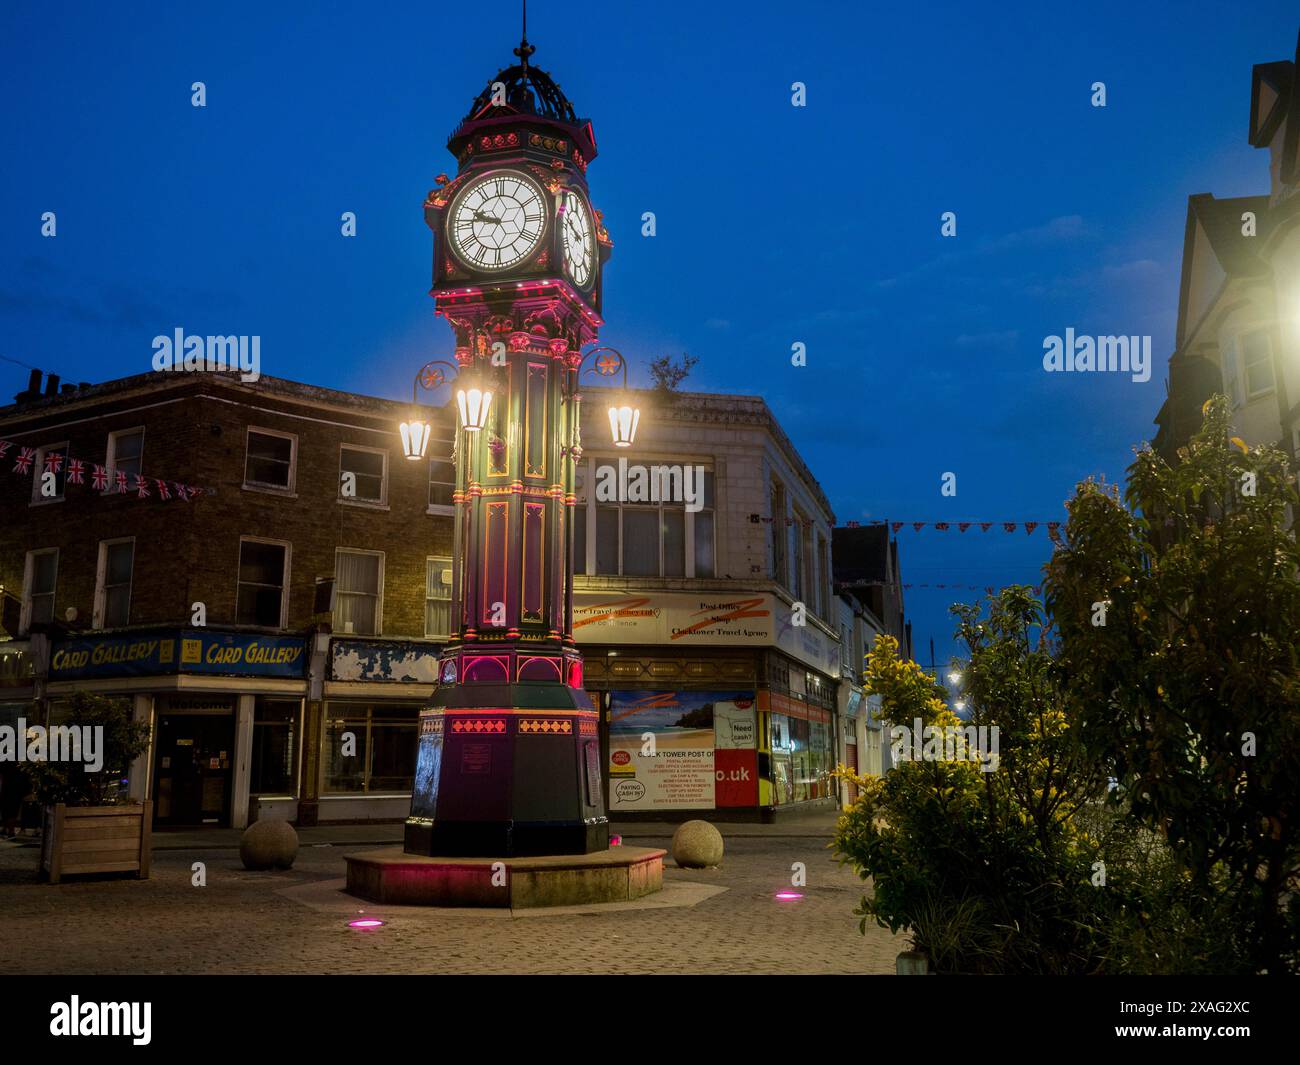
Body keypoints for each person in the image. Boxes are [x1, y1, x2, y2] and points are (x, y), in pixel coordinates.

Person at [0, 759, 30, 838]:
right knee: (13, 807)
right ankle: (9, 829)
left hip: (9, 783)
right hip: (18, 783)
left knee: (7, 806)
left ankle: (9, 829)